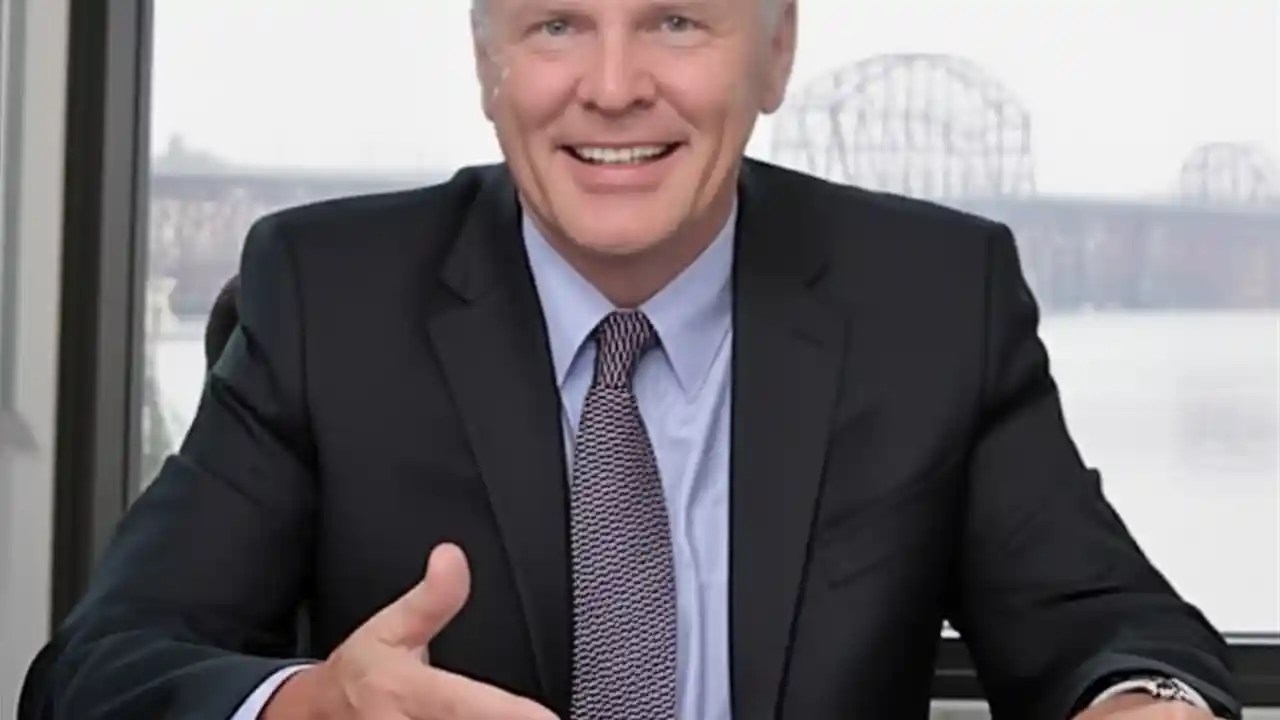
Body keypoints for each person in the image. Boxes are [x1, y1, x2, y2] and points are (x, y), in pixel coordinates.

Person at [20, 0, 1241, 718]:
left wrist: (1139, 707)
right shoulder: (325, 296)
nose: (612, 88)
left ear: (774, 53)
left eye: (673, 18)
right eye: (556, 22)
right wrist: (304, 709)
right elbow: (93, 672)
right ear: (487, 62)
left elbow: (1110, 626)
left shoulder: (931, 299)